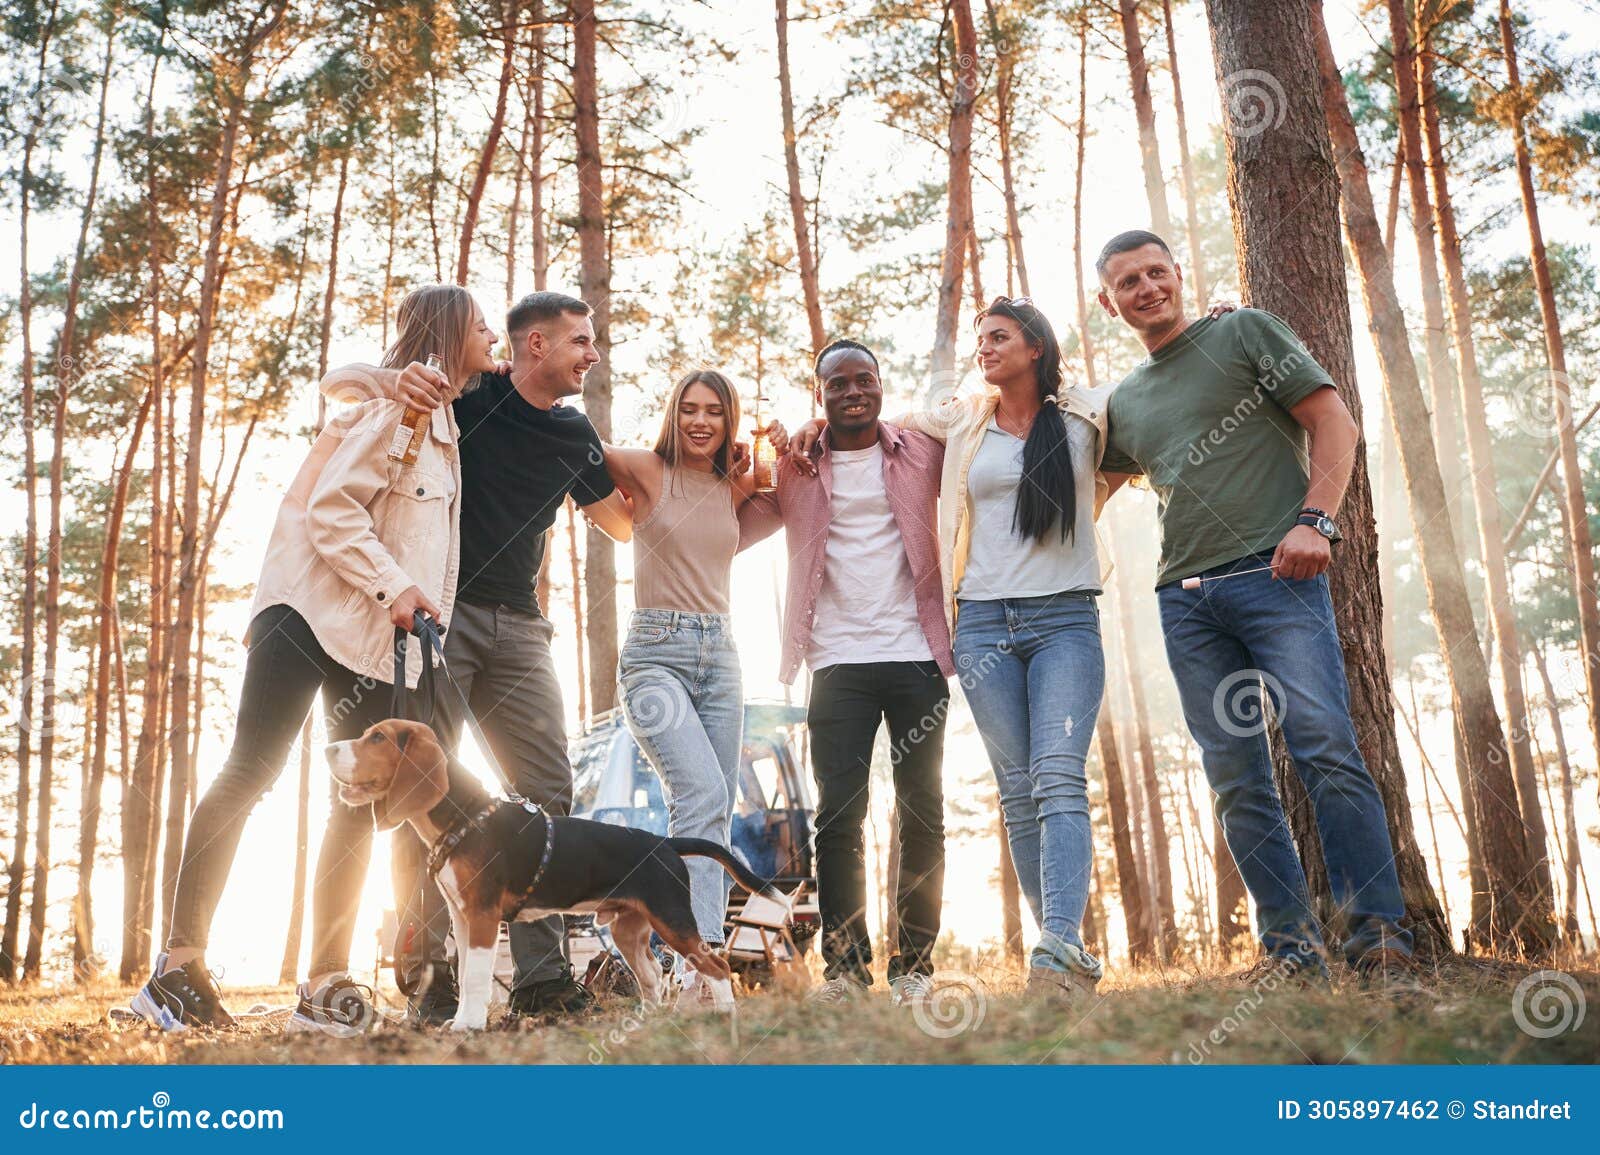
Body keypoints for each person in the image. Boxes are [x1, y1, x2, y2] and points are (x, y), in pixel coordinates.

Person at [133, 284, 495, 1032]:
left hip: (368, 629)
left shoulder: (440, 420)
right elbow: (333, 507)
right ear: (450, 333)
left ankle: (325, 982)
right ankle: (175, 969)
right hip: (304, 609)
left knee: (358, 794)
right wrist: (396, 584)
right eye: (482, 324)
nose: (492, 334)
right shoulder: (396, 404)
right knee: (253, 768)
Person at [1094, 229, 1414, 985]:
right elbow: (1087, 493)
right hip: (1186, 602)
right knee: (1236, 776)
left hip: (1278, 577)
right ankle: (1291, 950)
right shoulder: (1126, 402)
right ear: (1109, 304)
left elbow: (1335, 423)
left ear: (1179, 274)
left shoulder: (1243, 330)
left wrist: (1316, 522)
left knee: (1325, 747)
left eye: (1155, 272)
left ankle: (1377, 936)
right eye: (1127, 282)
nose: (1146, 288)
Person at [322, 290, 634, 1024]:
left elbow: (623, 523)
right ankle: (431, 978)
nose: (592, 353)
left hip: (523, 630)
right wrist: (386, 380)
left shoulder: (574, 433)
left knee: (547, 783)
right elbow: (348, 381)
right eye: (580, 341)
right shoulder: (469, 396)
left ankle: (543, 975)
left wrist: (703, 472)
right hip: (443, 613)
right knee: (421, 789)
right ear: (535, 345)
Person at [741, 340, 952, 1006]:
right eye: (839, 383)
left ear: (882, 385)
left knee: (923, 810)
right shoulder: (798, 466)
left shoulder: (923, 451)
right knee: (839, 816)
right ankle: (847, 970)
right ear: (820, 392)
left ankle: (914, 965)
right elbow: (740, 524)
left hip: (917, 655)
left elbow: (975, 423)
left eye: (865, 379)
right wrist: (752, 465)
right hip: (836, 662)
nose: (854, 391)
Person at [600, 370, 770, 1010]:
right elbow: (571, 440)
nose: (702, 422)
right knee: (698, 793)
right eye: (691, 410)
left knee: (714, 810)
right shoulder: (645, 468)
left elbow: (785, 491)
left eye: (716, 413)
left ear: (730, 421)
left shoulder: (733, 483)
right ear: (674, 413)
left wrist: (773, 450)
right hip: (654, 654)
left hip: (722, 656)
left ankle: (698, 969)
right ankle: (696, 965)